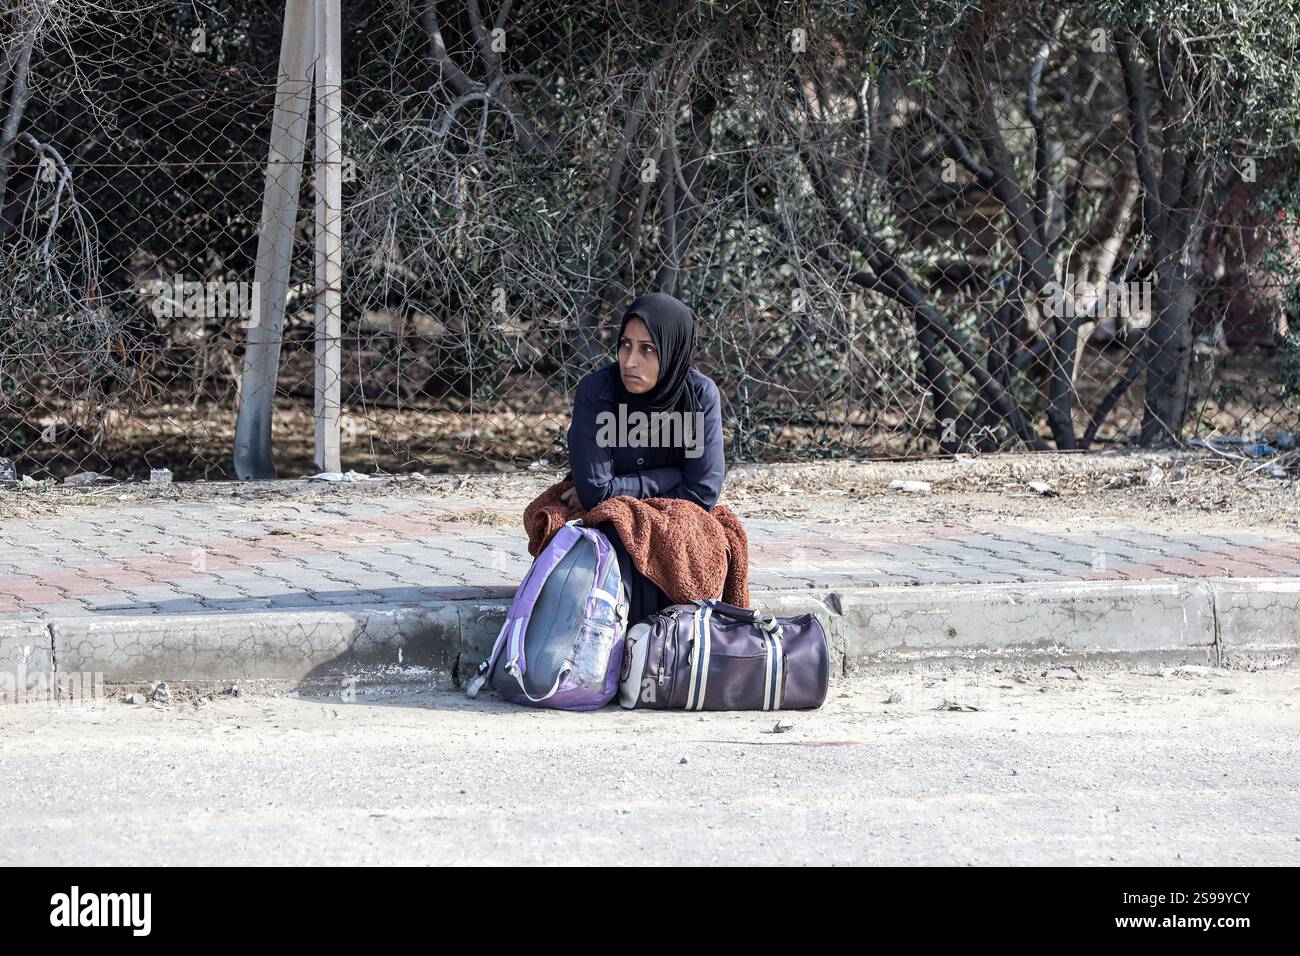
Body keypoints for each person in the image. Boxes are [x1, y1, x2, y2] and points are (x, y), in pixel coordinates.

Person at [562, 291, 725, 625]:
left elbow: (704, 492)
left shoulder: (698, 396)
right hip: (610, 526)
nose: (630, 360)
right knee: (615, 539)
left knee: (692, 542)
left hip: (673, 516)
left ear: (672, 350)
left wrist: (621, 491)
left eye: (647, 349)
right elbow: (595, 494)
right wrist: (675, 475)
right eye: (625, 344)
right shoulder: (597, 392)